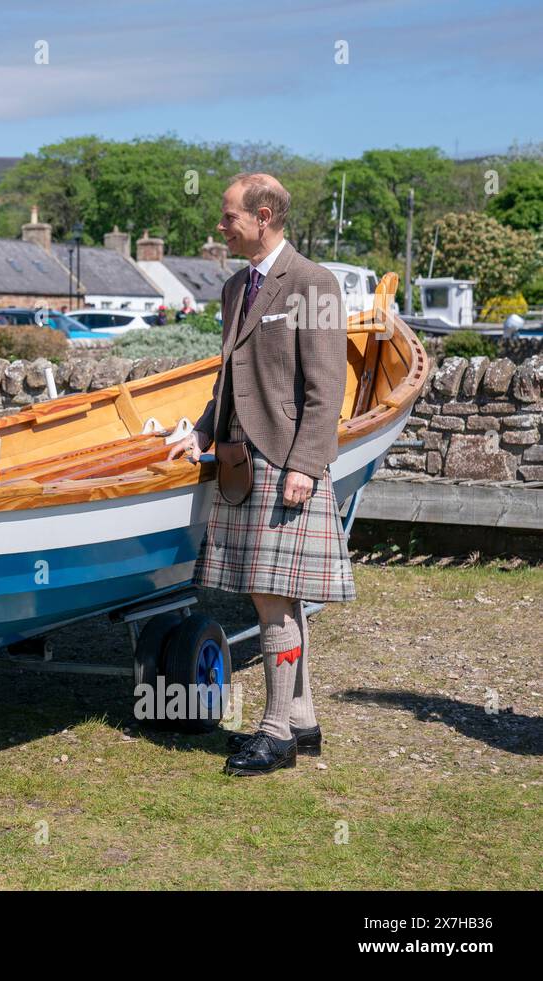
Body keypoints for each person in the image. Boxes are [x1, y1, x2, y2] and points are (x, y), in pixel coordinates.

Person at [168, 172, 352, 777]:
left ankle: (275, 734)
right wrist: (200, 430)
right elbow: (228, 380)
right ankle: (301, 718)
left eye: (229, 217)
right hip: (240, 462)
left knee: (272, 599)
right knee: (274, 593)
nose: (220, 226)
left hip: (285, 461)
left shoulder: (313, 283)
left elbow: (328, 389)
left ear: (264, 215)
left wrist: (305, 465)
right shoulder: (233, 288)